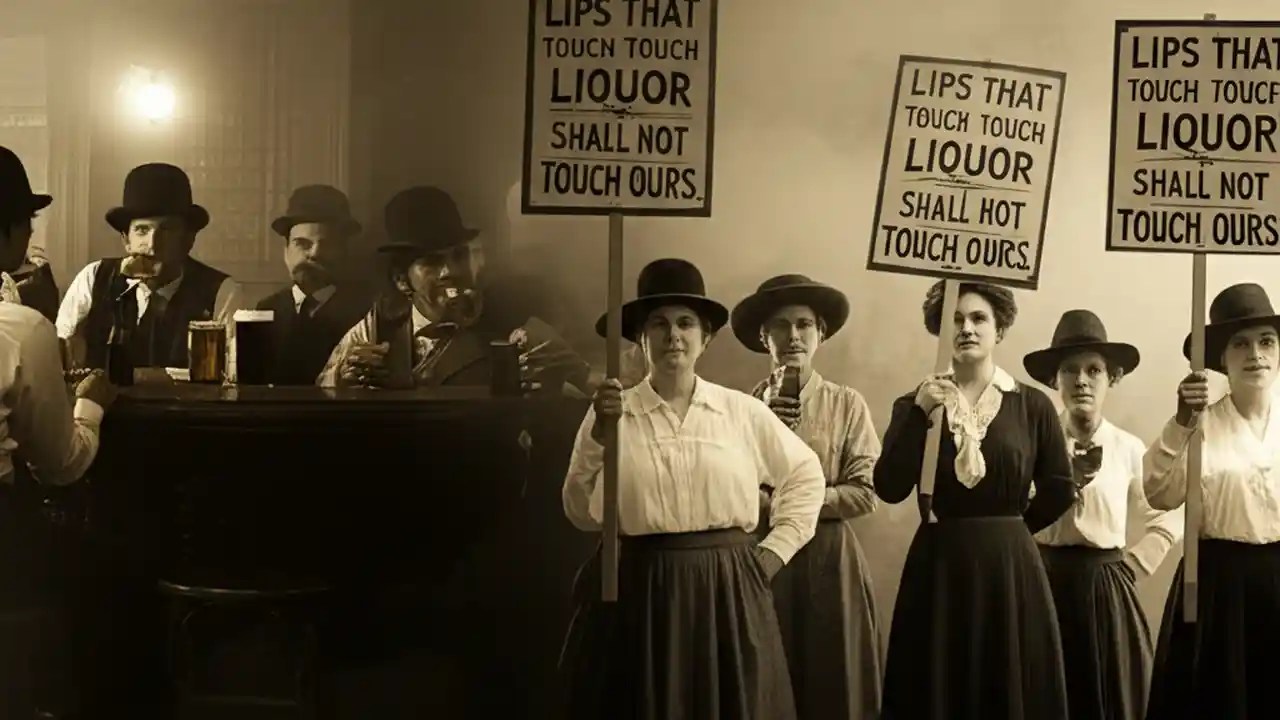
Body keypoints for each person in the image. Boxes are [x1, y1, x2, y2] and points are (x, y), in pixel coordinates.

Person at [559, 258, 826, 720]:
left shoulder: (740, 411)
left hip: (728, 591)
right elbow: (580, 511)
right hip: (641, 593)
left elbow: (806, 476)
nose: (673, 336)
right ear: (640, 339)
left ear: (706, 337)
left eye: (685, 323)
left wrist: (771, 554)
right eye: (658, 324)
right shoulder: (612, 413)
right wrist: (600, 437)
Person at [873, 279, 1075, 720]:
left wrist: (1011, 532)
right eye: (955, 319)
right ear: (940, 331)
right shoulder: (914, 403)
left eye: (978, 318)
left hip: (1010, 567)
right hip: (940, 564)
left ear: (998, 329)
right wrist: (919, 413)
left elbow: (1060, 487)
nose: (966, 328)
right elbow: (889, 487)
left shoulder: (1032, 405)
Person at [731, 273, 882, 720]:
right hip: (766, 557)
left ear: (821, 333)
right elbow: (728, 490)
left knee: (831, 678)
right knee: (768, 675)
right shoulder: (741, 409)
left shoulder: (846, 404)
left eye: (803, 324)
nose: (793, 336)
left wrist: (798, 502)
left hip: (828, 559)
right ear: (764, 338)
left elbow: (865, 492)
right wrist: (763, 429)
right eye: (780, 326)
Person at [0, 144, 116, 717]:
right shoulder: (19, 327)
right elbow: (63, 464)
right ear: (8, 231)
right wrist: (90, 404)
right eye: (27, 221)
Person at [1023, 309, 1183, 720]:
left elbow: (1168, 514)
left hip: (1104, 589)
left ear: (1113, 377)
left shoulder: (1128, 448)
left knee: (1105, 697)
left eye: (1093, 370)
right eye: (1070, 370)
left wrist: (1133, 565)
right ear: (1054, 380)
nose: (1081, 381)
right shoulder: (1031, 442)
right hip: (1042, 583)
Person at [1143, 282, 1280, 720]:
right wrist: (1182, 421)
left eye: (1266, 341)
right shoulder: (1202, 426)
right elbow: (1158, 493)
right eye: (1240, 343)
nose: (1255, 354)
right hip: (1219, 585)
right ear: (1222, 357)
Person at [319, 186, 592, 394]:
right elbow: (324, 390)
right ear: (402, 280)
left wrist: (557, 383)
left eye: (458, 256)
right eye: (432, 262)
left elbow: (587, 386)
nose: (450, 271)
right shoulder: (378, 326)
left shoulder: (513, 321)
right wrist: (344, 380)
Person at [56, 163, 244, 370]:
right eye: (142, 230)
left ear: (189, 239)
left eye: (167, 229)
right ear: (126, 240)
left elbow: (232, 372)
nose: (153, 245)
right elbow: (60, 355)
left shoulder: (220, 292)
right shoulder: (94, 279)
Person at [256, 184, 370, 385]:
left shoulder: (365, 314)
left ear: (343, 252)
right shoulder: (265, 311)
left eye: (327, 244)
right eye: (302, 243)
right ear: (286, 252)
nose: (315, 254)